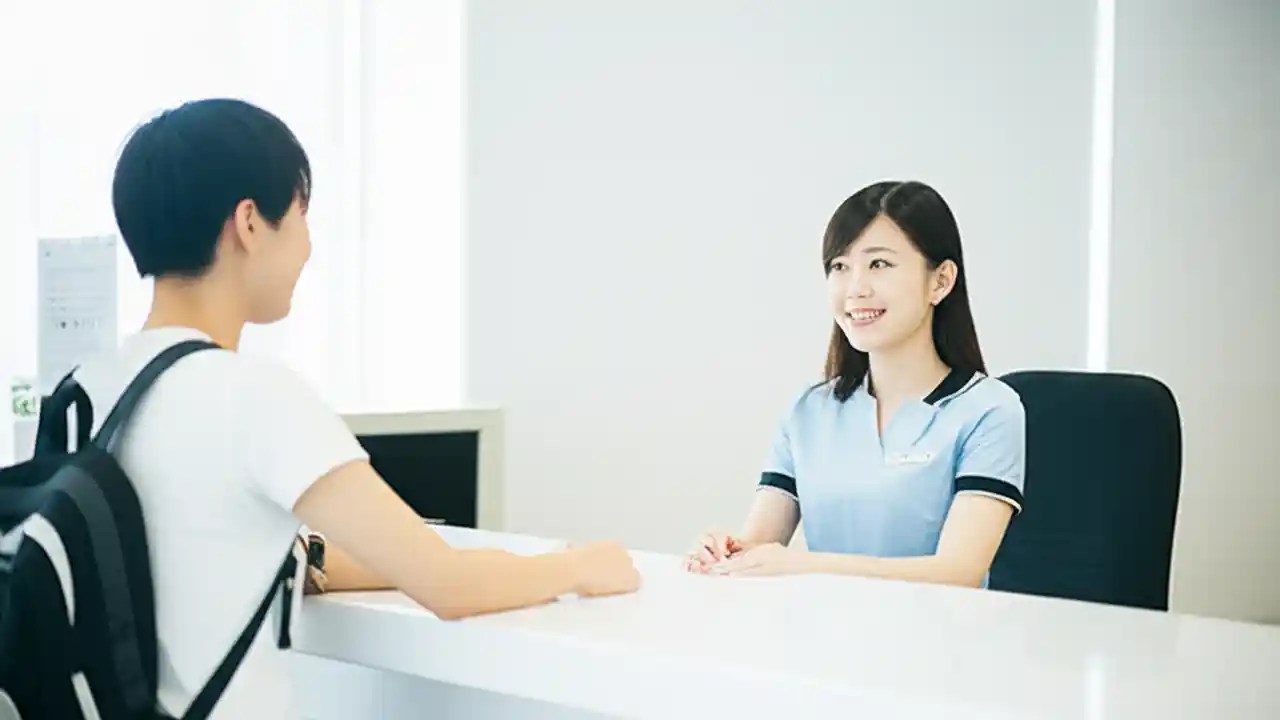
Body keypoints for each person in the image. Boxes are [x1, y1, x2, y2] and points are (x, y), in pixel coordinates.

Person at [75, 98, 639, 719]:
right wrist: (578, 567)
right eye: (301, 213)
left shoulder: (86, 389)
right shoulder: (251, 395)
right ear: (249, 222)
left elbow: (239, 552)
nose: (309, 245)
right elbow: (447, 588)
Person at [686, 180, 1025, 587]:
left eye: (879, 264)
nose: (855, 289)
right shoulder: (807, 411)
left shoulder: (989, 411)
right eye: (839, 267)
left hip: (937, 642)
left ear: (940, 281)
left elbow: (957, 572)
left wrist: (803, 565)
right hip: (823, 638)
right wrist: (726, 550)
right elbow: (759, 546)